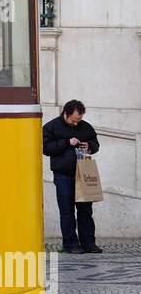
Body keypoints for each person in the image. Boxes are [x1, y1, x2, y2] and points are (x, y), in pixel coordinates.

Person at [42, 99, 102, 253]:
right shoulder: (51, 127)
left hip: (83, 175)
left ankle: (89, 243)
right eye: (74, 120)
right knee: (67, 211)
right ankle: (71, 245)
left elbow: (96, 144)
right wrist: (66, 142)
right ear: (66, 114)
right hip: (63, 175)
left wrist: (90, 145)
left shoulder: (85, 126)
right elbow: (45, 148)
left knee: (86, 211)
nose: (76, 124)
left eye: (79, 120)